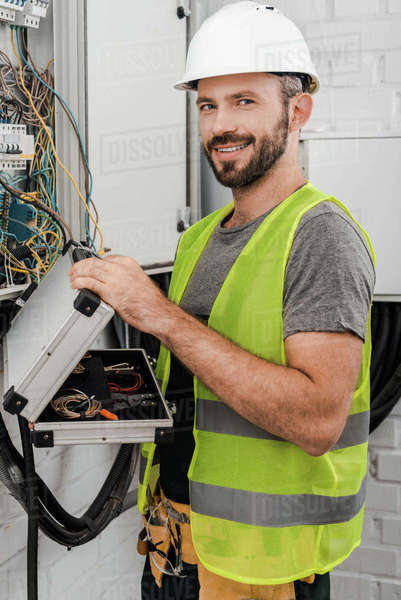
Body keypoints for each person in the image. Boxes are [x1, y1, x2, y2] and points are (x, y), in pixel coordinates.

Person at [69, 3, 376, 599]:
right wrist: (83, 389)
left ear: (298, 111)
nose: (220, 125)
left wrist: (157, 315)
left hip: (262, 572)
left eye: (245, 101)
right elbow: (197, 387)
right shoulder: (198, 240)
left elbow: (316, 421)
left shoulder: (320, 236)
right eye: (207, 105)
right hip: (174, 549)